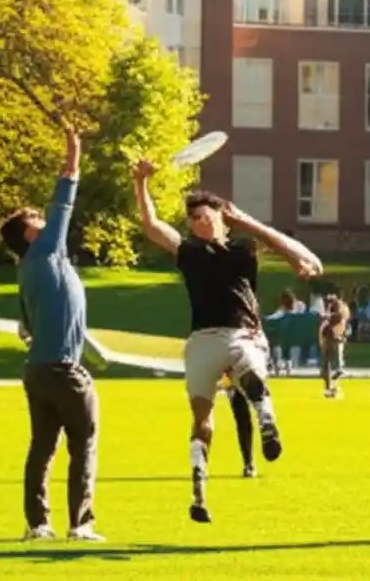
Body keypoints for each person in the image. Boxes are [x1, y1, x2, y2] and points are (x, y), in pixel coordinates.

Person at [131, 158, 323, 524]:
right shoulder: (188, 251)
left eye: (205, 215)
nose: (199, 222)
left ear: (222, 216)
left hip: (240, 334)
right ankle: (199, 488)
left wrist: (249, 223)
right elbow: (152, 226)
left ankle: (266, 422)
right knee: (202, 419)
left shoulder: (243, 249)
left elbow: (287, 246)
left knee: (248, 366)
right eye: (193, 219)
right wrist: (140, 183)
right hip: (203, 341)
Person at [0, 125, 104, 543]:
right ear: (29, 236)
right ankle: (81, 524)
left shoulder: (29, 267)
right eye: (37, 222)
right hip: (63, 370)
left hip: (38, 371)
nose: (45, 223)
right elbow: (64, 201)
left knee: (42, 449)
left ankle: (38, 524)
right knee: (84, 444)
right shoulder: (44, 252)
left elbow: (25, 326)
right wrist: (73, 154)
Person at [318, 294, 349, 398]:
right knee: (330, 365)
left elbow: (325, 327)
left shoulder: (336, 314)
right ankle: (331, 387)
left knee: (332, 365)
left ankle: (332, 386)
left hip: (332, 339)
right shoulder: (337, 313)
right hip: (331, 339)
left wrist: (336, 336)